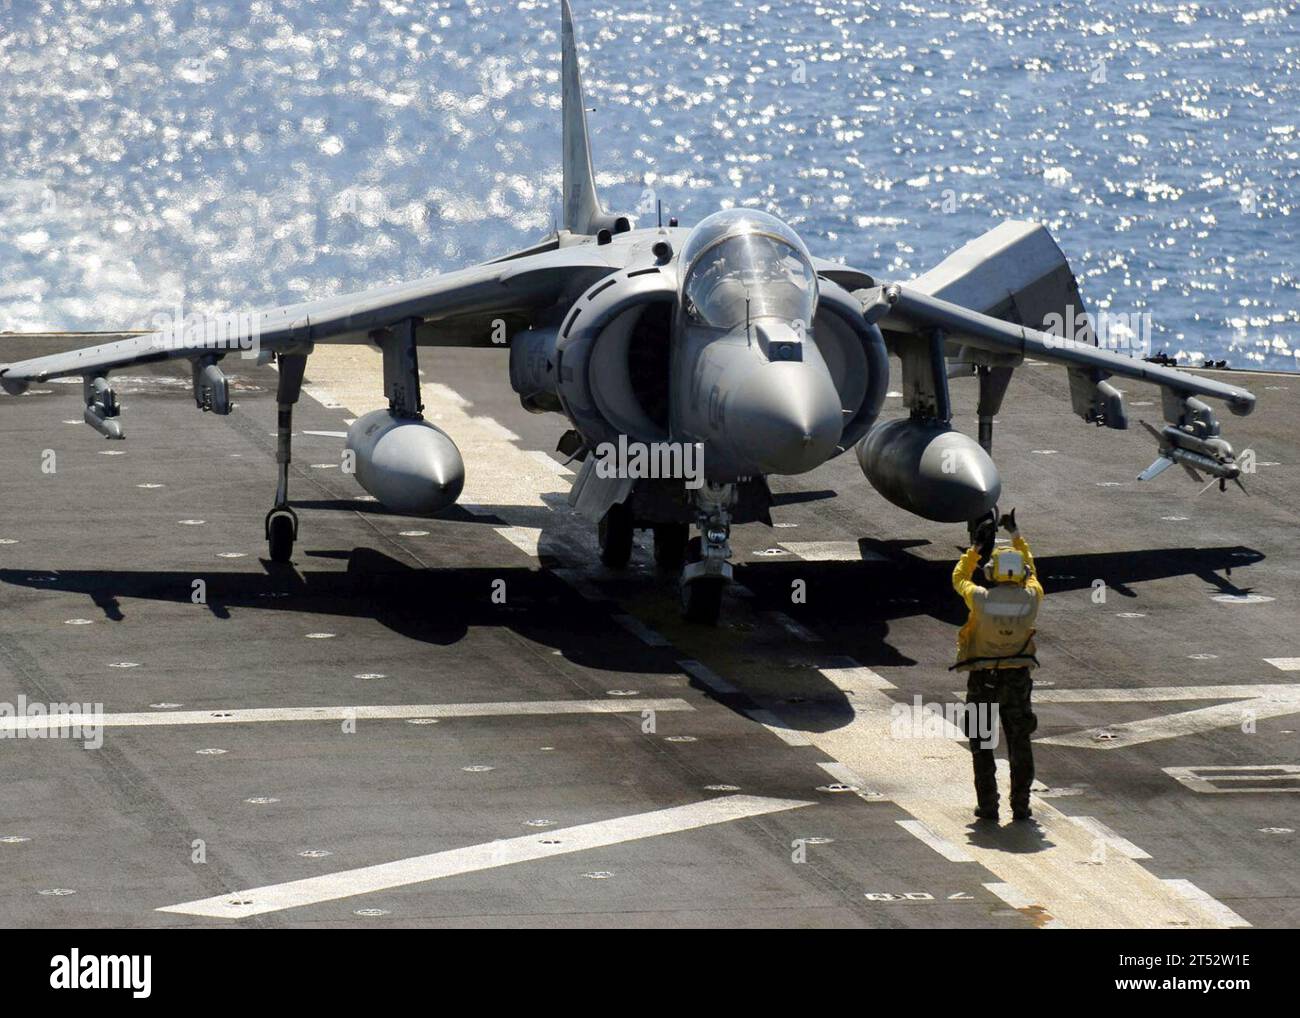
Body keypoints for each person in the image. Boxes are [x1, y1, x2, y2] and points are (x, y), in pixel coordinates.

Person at [951, 509, 1044, 822]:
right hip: (1017, 679)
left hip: (982, 680)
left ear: (991, 573)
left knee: (982, 744)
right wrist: (1016, 536)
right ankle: (1021, 806)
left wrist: (976, 549)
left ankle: (988, 806)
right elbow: (1032, 571)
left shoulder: (980, 598)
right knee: (1020, 743)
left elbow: (959, 578)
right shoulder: (1031, 599)